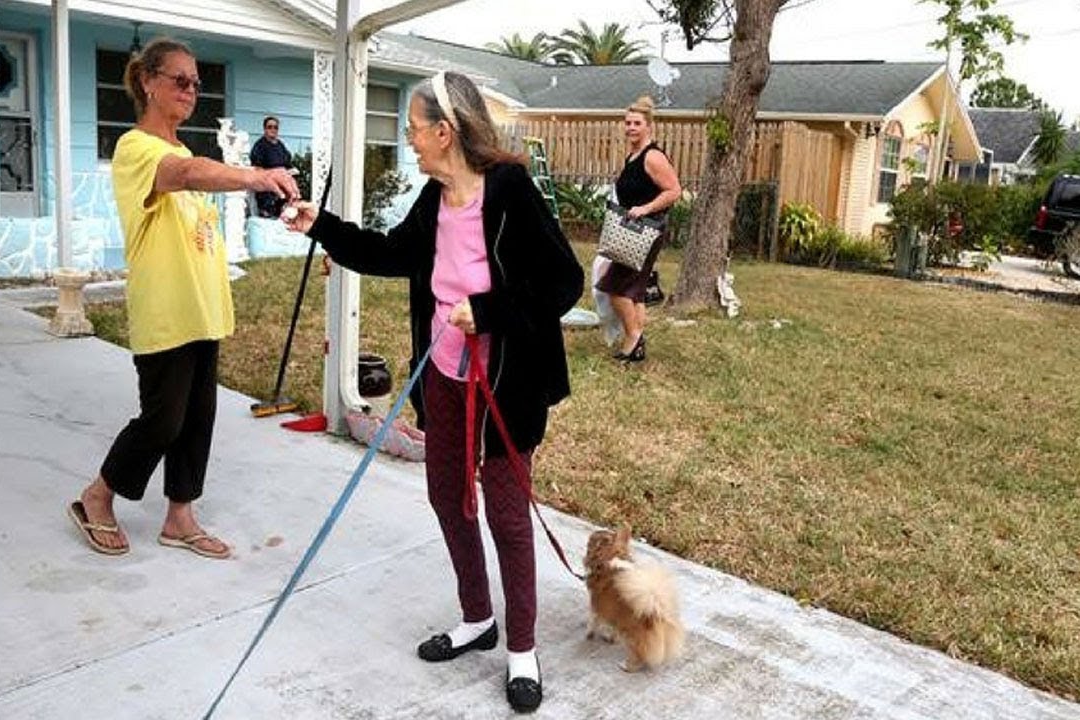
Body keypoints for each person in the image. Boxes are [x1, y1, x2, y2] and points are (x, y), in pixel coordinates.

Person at [283, 71, 583, 714]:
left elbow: (565, 281)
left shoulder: (510, 191)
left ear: (445, 132)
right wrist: (321, 225)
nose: (409, 141)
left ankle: (522, 649)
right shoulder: (435, 196)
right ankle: (478, 618)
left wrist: (491, 307)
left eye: (414, 129)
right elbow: (392, 254)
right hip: (442, 375)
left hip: (507, 384)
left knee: (505, 515)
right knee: (448, 498)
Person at [66, 38, 299, 560]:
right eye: (180, 80)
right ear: (148, 82)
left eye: (197, 83)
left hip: (202, 311)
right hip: (166, 310)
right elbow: (185, 176)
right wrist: (255, 176)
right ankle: (96, 497)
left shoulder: (180, 149)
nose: (191, 90)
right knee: (162, 419)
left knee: (198, 416)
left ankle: (180, 517)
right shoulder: (136, 149)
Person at [596, 95, 682, 362]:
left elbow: (674, 191)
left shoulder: (652, 156)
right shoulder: (633, 155)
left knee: (614, 288)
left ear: (648, 126)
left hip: (645, 232)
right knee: (636, 290)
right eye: (628, 123)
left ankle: (634, 338)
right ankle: (636, 340)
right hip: (633, 232)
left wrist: (645, 209)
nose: (631, 127)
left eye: (636, 123)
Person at [249, 115, 294, 217]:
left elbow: (288, 163)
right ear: (264, 129)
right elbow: (257, 168)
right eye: (270, 127)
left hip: (282, 186)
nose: (273, 129)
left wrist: (291, 171)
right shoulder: (260, 146)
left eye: (275, 127)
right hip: (267, 189)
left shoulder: (280, 145)